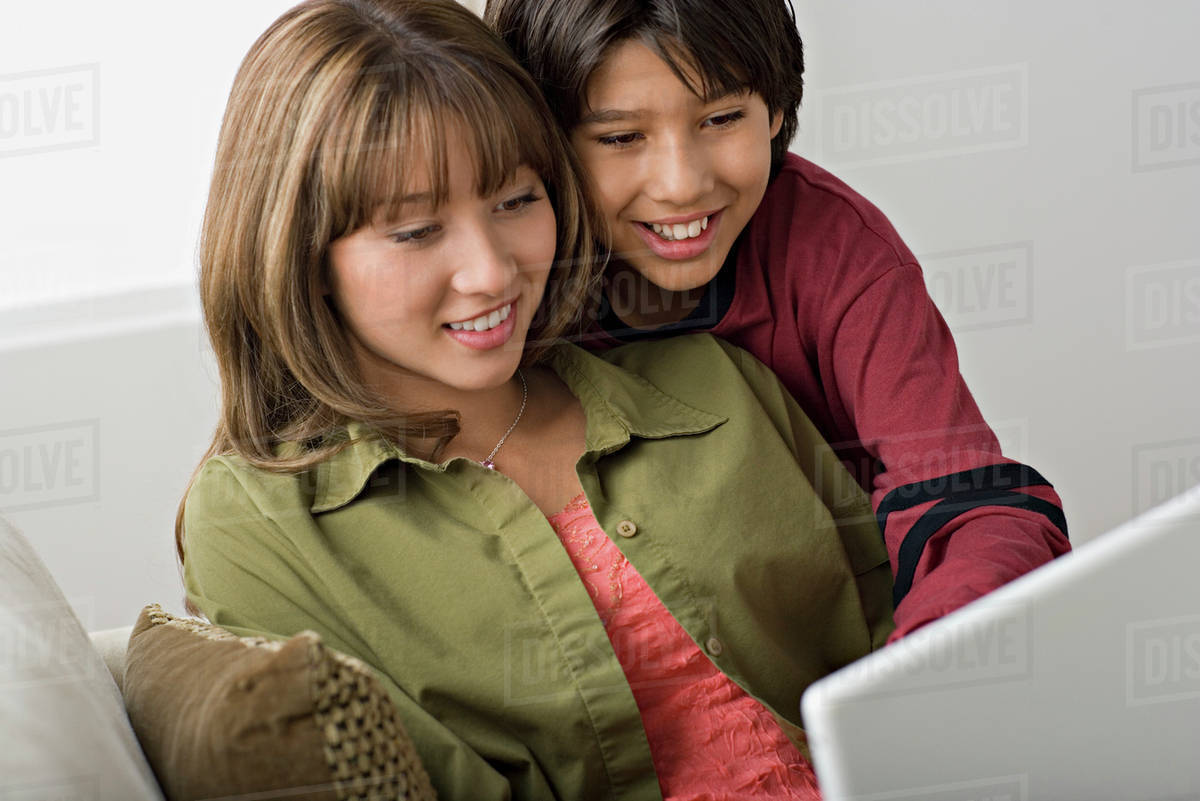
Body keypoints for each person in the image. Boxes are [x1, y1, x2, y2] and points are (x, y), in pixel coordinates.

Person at [178, 0, 894, 798]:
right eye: (416, 231)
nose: (491, 271)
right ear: (301, 253)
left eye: (517, 200)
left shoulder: (714, 384)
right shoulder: (263, 521)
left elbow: (900, 655)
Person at [485, 0, 1071, 640]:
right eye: (621, 137)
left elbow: (960, 499)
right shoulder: (500, 275)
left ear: (779, 112)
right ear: (541, 141)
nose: (682, 185)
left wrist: (914, 679)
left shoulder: (835, 249)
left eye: (722, 118)